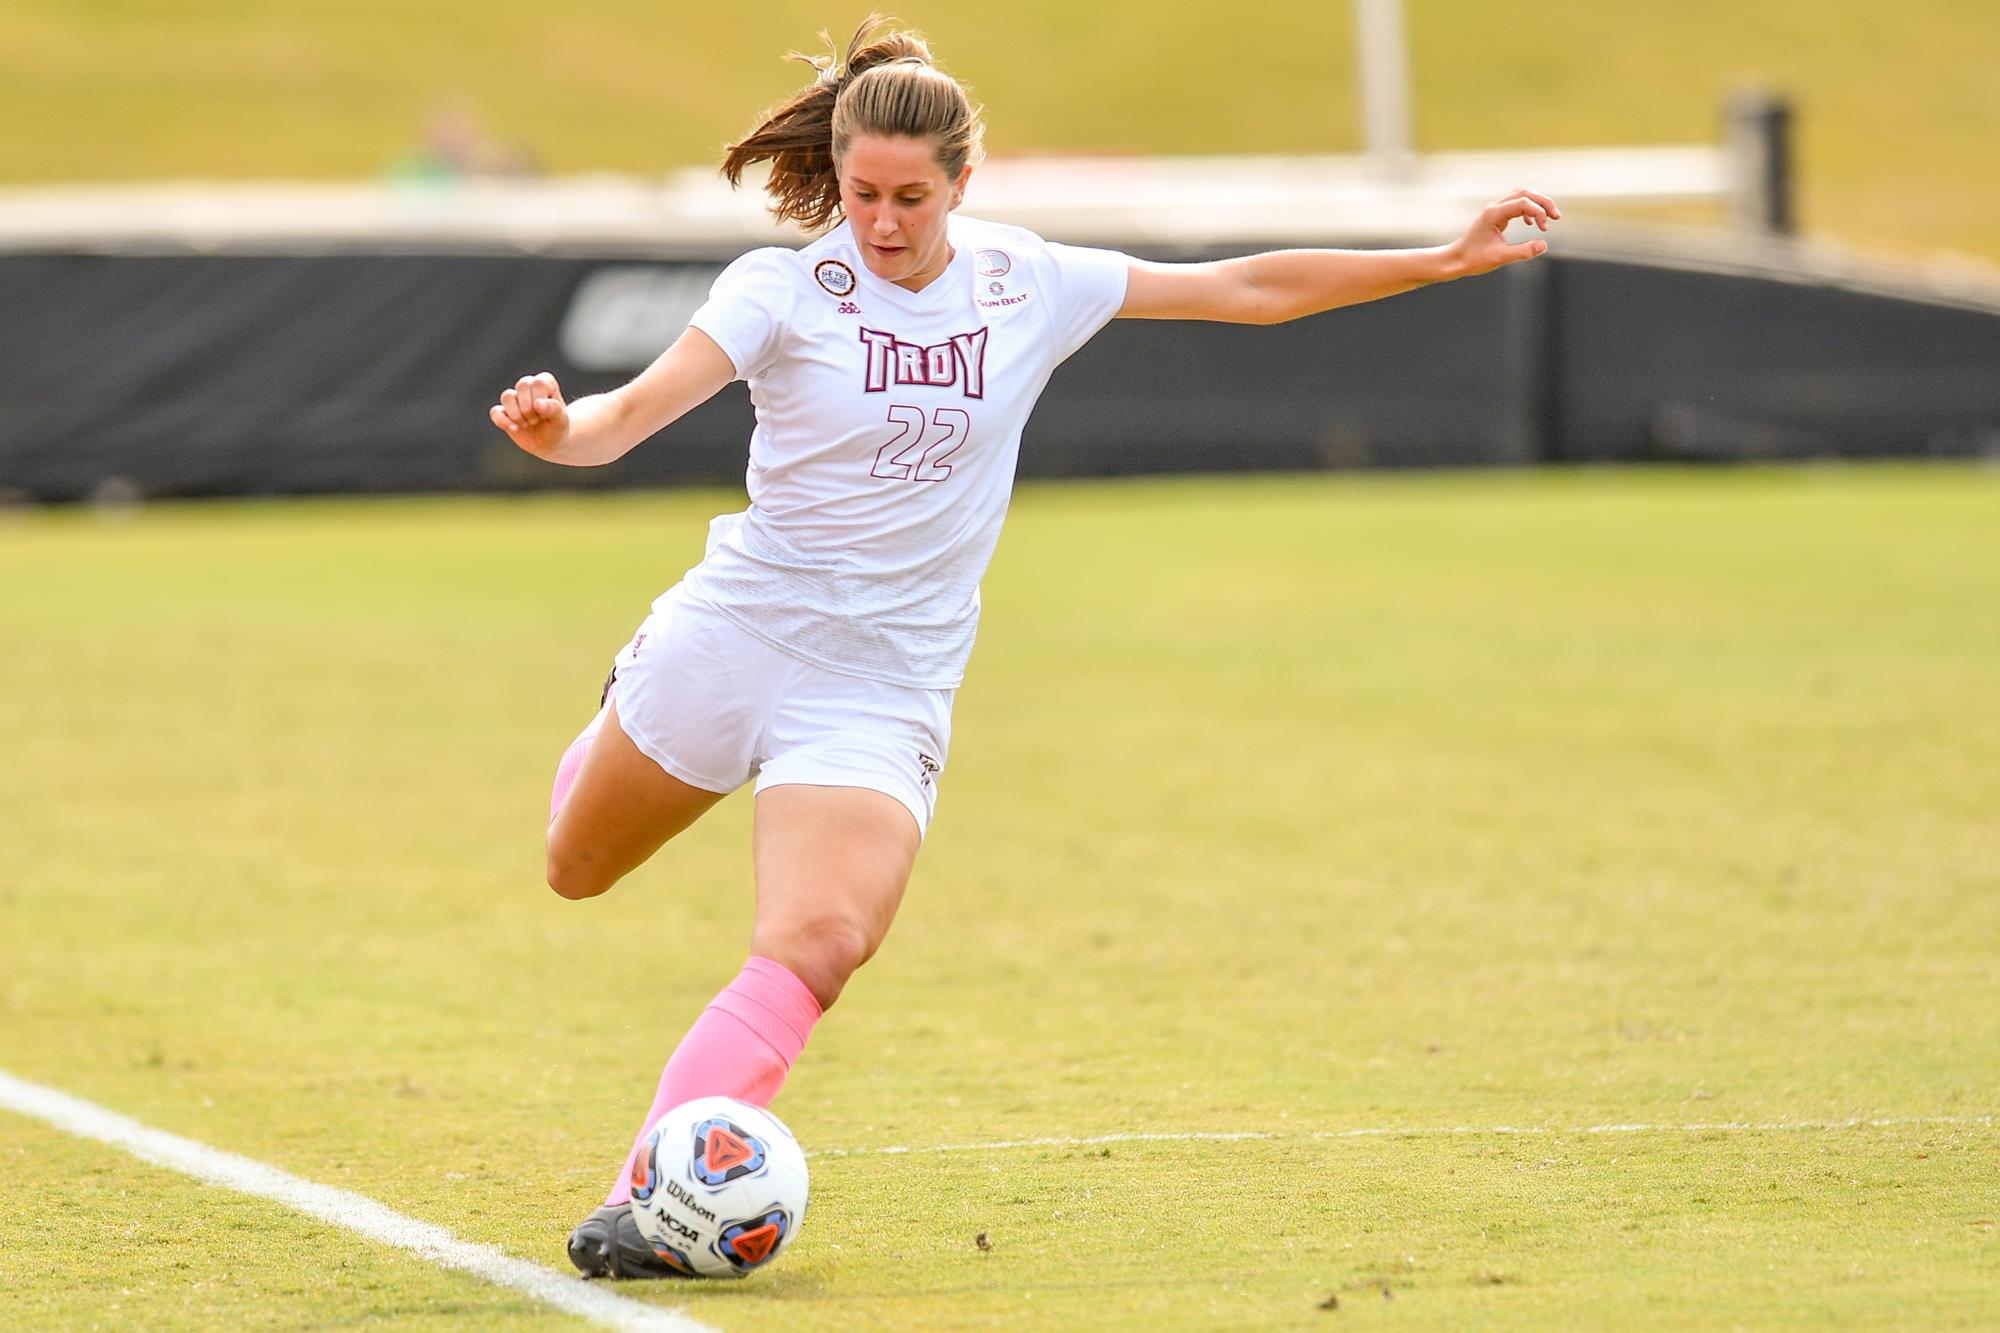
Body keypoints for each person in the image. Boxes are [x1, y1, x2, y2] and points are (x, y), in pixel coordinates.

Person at [487, 15, 1559, 1280]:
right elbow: (625, 417)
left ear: (962, 183)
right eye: (860, 195)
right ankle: (625, 699)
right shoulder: (775, 291)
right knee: (573, 866)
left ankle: (647, 1200)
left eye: (907, 197)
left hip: (881, 683)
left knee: (820, 943)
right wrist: (559, 431)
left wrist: (1437, 259)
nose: (880, 223)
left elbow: (1240, 287)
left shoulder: (1023, 281)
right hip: (737, 633)